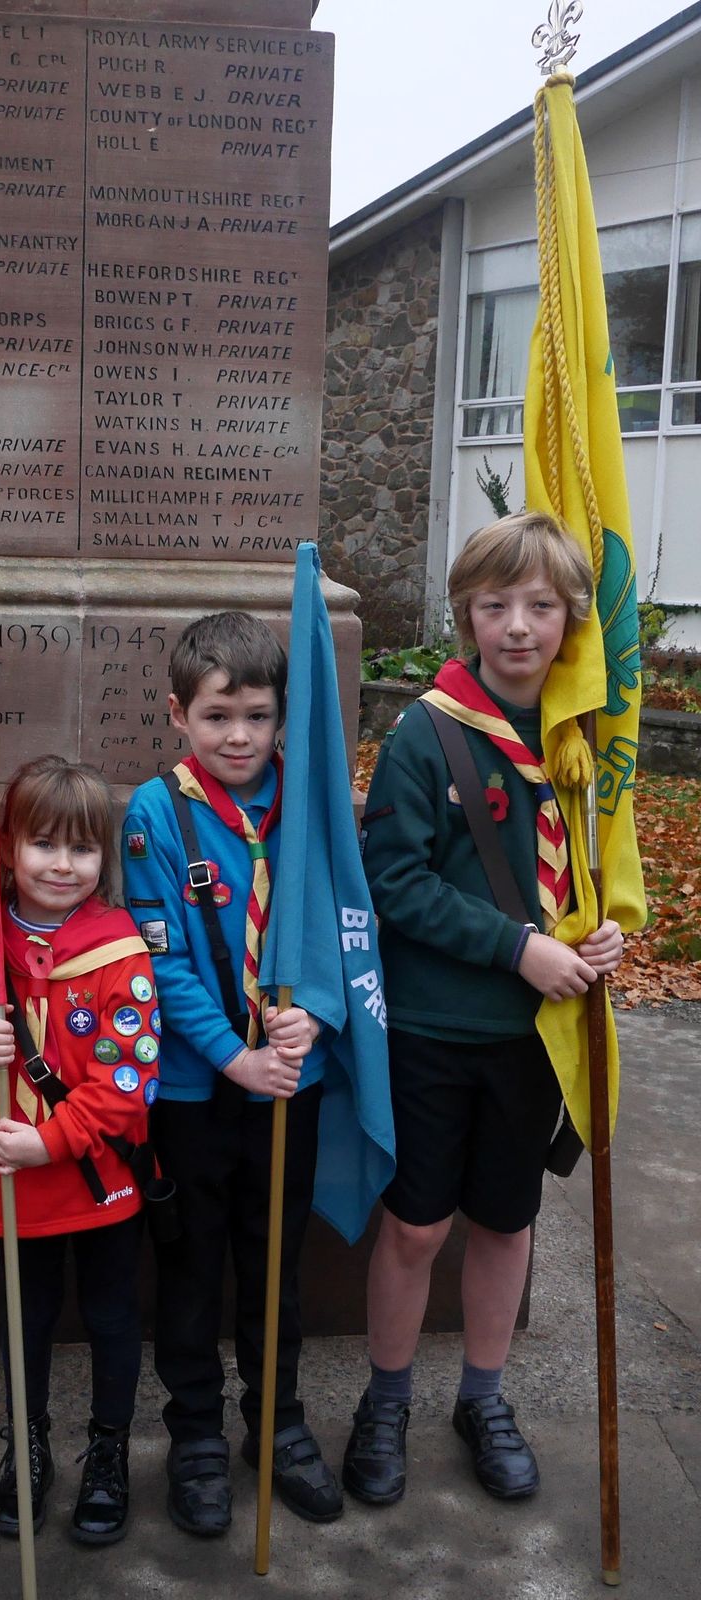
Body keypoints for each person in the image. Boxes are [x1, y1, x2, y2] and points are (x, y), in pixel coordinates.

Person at [342, 511, 624, 1507]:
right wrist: (520, 946)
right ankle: (386, 1400)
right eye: (495, 603)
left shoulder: (582, 740)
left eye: (540, 605)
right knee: (417, 1227)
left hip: (533, 1043)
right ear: (464, 612)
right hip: (433, 1031)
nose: (517, 625)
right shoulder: (429, 730)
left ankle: (485, 1398)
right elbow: (396, 881)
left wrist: (599, 935)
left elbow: (595, 873)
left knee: (507, 1224)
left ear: (569, 618)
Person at [120, 611, 342, 1537]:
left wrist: (315, 1012)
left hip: (291, 1076)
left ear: (284, 718)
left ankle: (278, 1421)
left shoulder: (311, 803)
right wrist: (233, 1055)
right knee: (190, 1261)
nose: (239, 736)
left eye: (256, 716)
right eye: (218, 717)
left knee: (273, 1260)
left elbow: (343, 920)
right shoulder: (154, 814)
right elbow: (161, 960)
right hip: (196, 1088)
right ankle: (197, 1432)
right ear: (179, 713)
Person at [0, 755, 158, 1546]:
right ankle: (29, 1449)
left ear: (103, 858)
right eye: (43, 844)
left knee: (116, 1318)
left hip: (100, 1182)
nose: (63, 864)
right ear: (9, 847)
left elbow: (129, 1082)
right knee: (28, 1322)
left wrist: (48, 1140)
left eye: (83, 849)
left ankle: (109, 1452)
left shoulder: (120, 950)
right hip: (13, 1190)